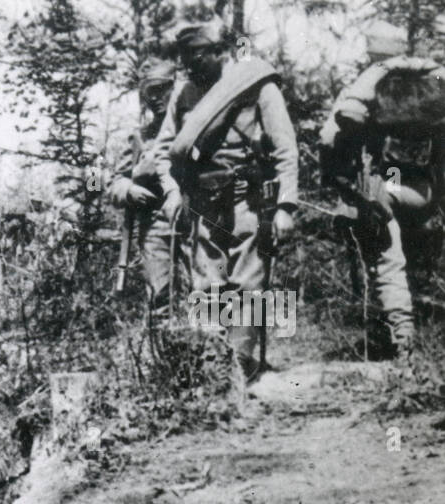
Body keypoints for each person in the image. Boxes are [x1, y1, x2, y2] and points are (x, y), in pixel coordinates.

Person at [154, 16, 298, 383]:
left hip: (246, 199)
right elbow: (164, 150)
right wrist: (171, 193)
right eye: (185, 57)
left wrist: (285, 206)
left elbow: (284, 148)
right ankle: (213, 369)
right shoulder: (183, 93)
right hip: (201, 202)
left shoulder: (254, 85)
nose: (189, 64)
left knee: (248, 282)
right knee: (207, 284)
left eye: (198, 55)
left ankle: (242, 369)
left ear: (221, 51)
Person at [319, 20, 445, 359]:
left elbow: (329, 137)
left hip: (391, 186)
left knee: (387, 259)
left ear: (373, 55)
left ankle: (402, 339)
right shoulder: (431, 87)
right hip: (429, 189)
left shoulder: (371, 91)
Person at [108, 58, 190, 332]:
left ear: (175, 87)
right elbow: (112, 182)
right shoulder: (139, 137)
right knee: (159, 297)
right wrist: (129, 191)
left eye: (161, 90)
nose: (155, 99)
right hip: (154, 225)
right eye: (148, 93)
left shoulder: (193, 127)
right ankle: (163, 361)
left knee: (205, 293)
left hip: (194, 220)